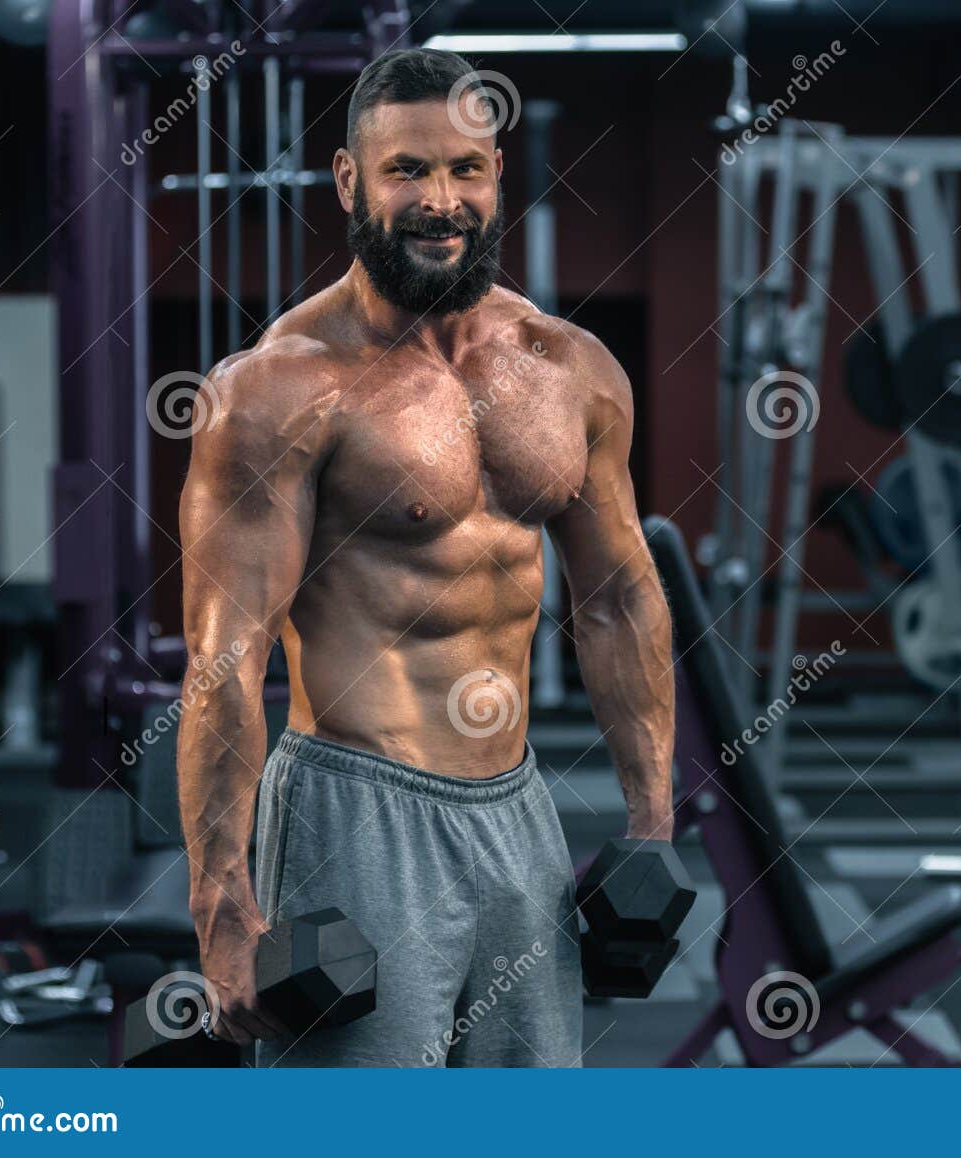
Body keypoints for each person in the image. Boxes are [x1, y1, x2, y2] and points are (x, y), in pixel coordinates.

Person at [174, 47, 674, 1066]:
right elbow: (225, 657)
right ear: (350, 181)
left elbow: (618, 597)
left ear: (497, 175)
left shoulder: (568, 368)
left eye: (465, 170)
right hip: (356, 810)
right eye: (406, 170)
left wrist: (651, 824)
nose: (439, 200)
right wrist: (223, 910)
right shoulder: (277, 389)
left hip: (518, 810)